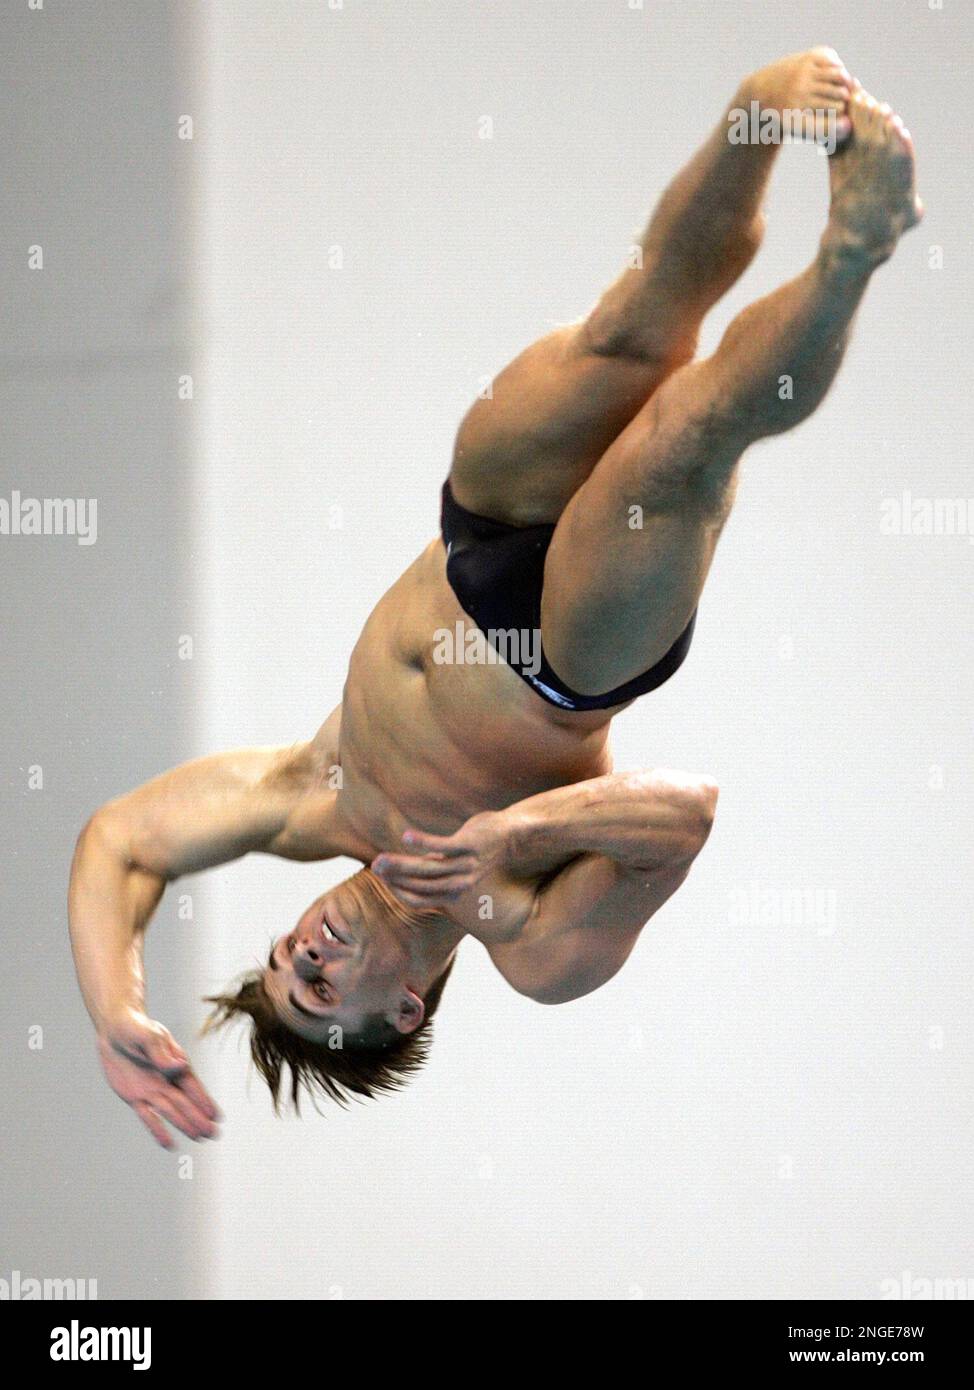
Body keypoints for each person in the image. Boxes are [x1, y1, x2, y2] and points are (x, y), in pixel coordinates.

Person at [68, 50, 923, 1145]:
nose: (309, 953)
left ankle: (755, 121)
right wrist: (513, 837)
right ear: (405, 1007)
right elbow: (686, 812)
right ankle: (852, 250)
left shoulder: (317, 800)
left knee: (634, 326)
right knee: (686, 437)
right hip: (570, 656)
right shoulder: (530, 947)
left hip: (474, 532)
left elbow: (121, 842)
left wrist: (114, 1010)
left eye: (285, 960)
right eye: (323, 991)